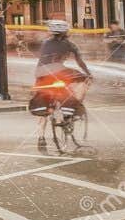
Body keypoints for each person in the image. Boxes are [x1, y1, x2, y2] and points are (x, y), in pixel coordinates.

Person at [33, 19, 92, 147]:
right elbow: (80, 62)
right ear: (66, 32)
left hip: (41, 74)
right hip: (59, 72)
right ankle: (72, 107)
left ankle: (41, 137)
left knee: (43, 103)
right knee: (82, 80)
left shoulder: (45, 44)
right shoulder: (69, 45)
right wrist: (88, 73)